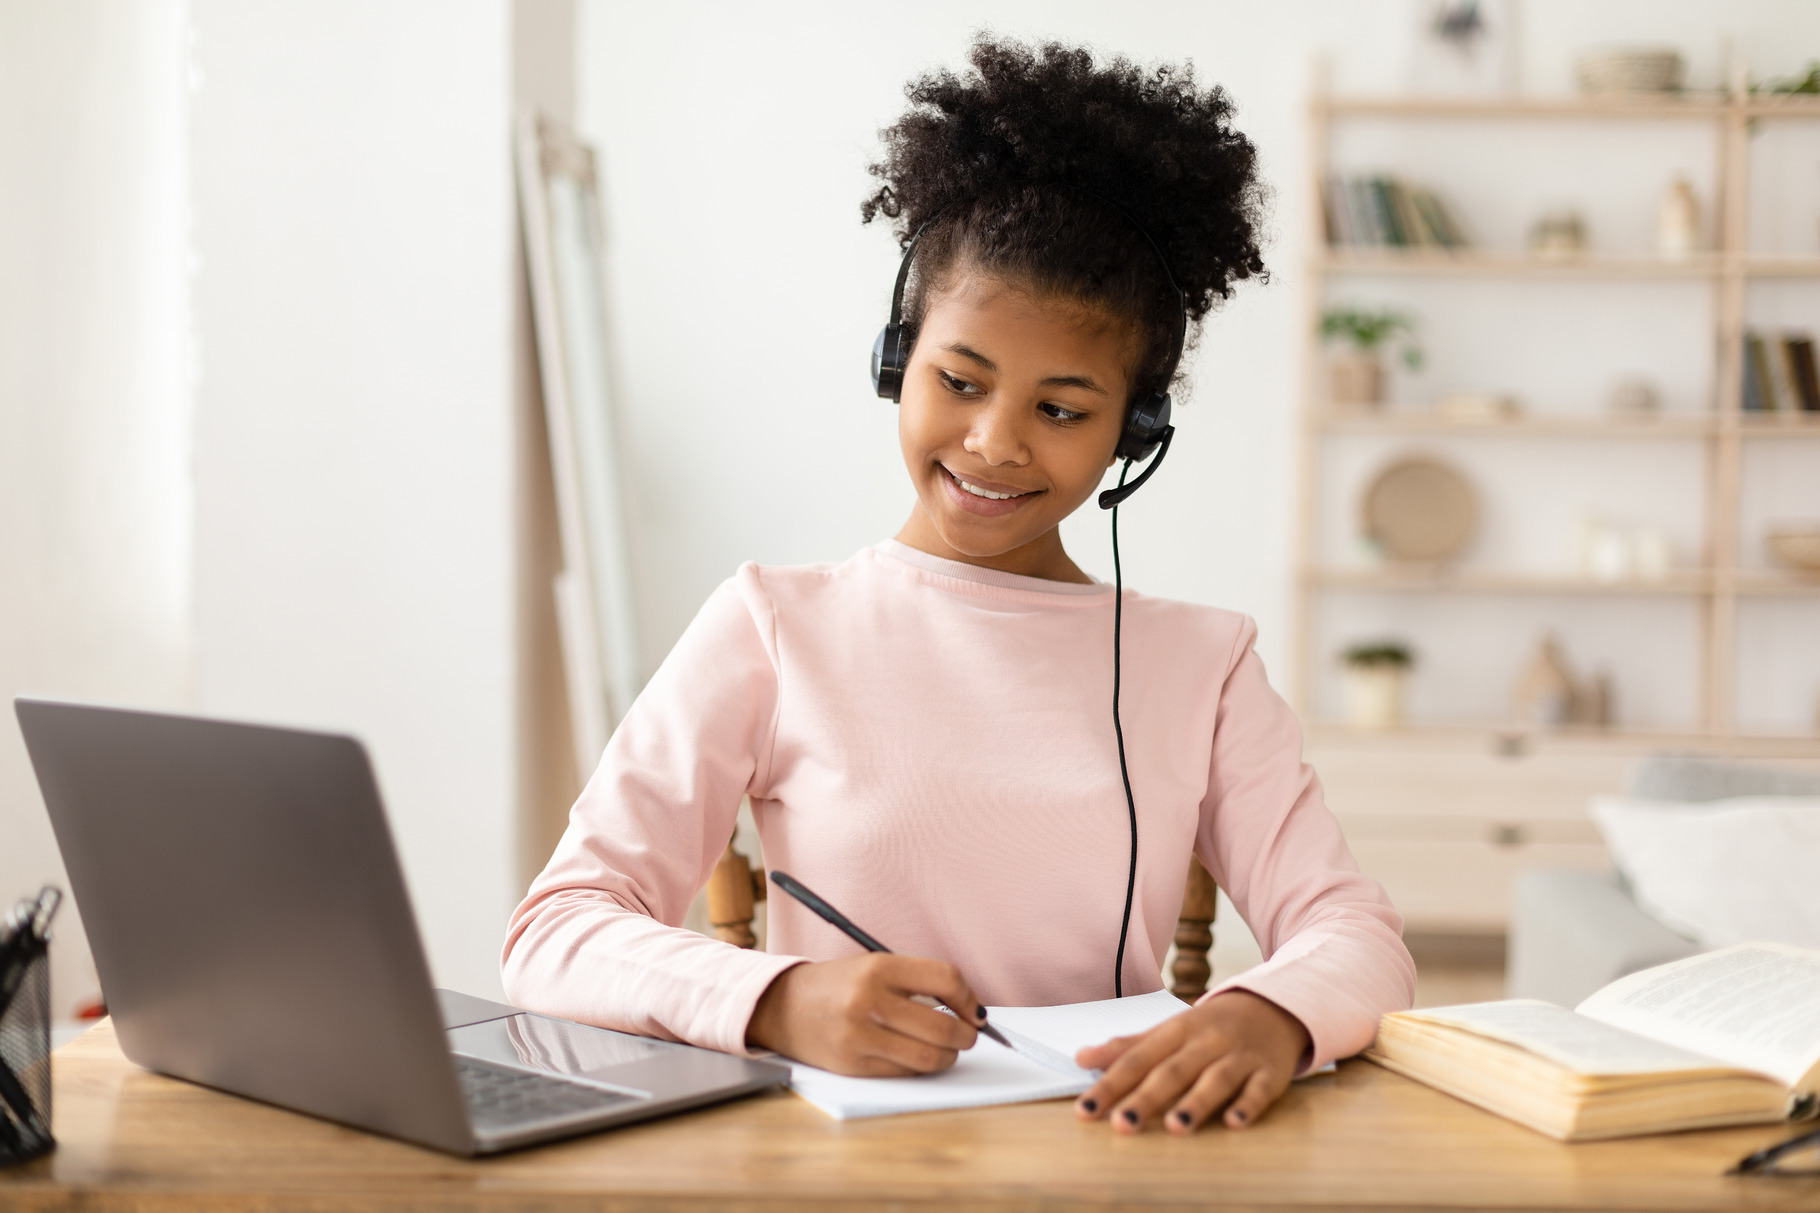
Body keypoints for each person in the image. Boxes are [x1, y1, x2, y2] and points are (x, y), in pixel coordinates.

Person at [503, 35, 1414, 1136]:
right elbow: (556, 928)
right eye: (958, 381)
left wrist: (1267, 1013)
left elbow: (1353, 932)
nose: (993, 443)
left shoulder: (1201, 665)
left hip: (1109, 1154)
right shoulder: (771, 624)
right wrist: (778, 999)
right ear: (899, 359)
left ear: (1135, 431)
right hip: (840, 1167)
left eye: (1062, 409)